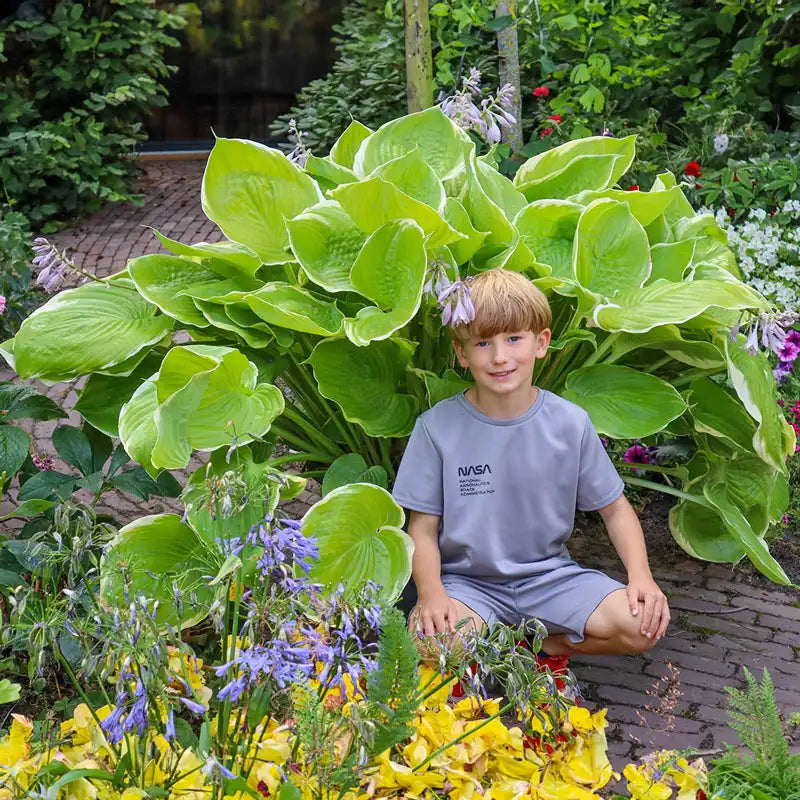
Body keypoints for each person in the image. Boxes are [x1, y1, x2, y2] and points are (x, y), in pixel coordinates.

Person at [392, 268, 670, 669]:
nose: (499, 357)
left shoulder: (570, 423)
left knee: (641, 625)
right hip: (468, 586)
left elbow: (615, 510)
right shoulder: (436, 428)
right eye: (482, 343)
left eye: (513, 339)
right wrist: (432, 593)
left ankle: (544, 648)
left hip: (550, 579)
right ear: (461, 354)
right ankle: (489, 642)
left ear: (541, 343)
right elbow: (422, 528)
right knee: (432, 646)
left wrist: (641, 577)